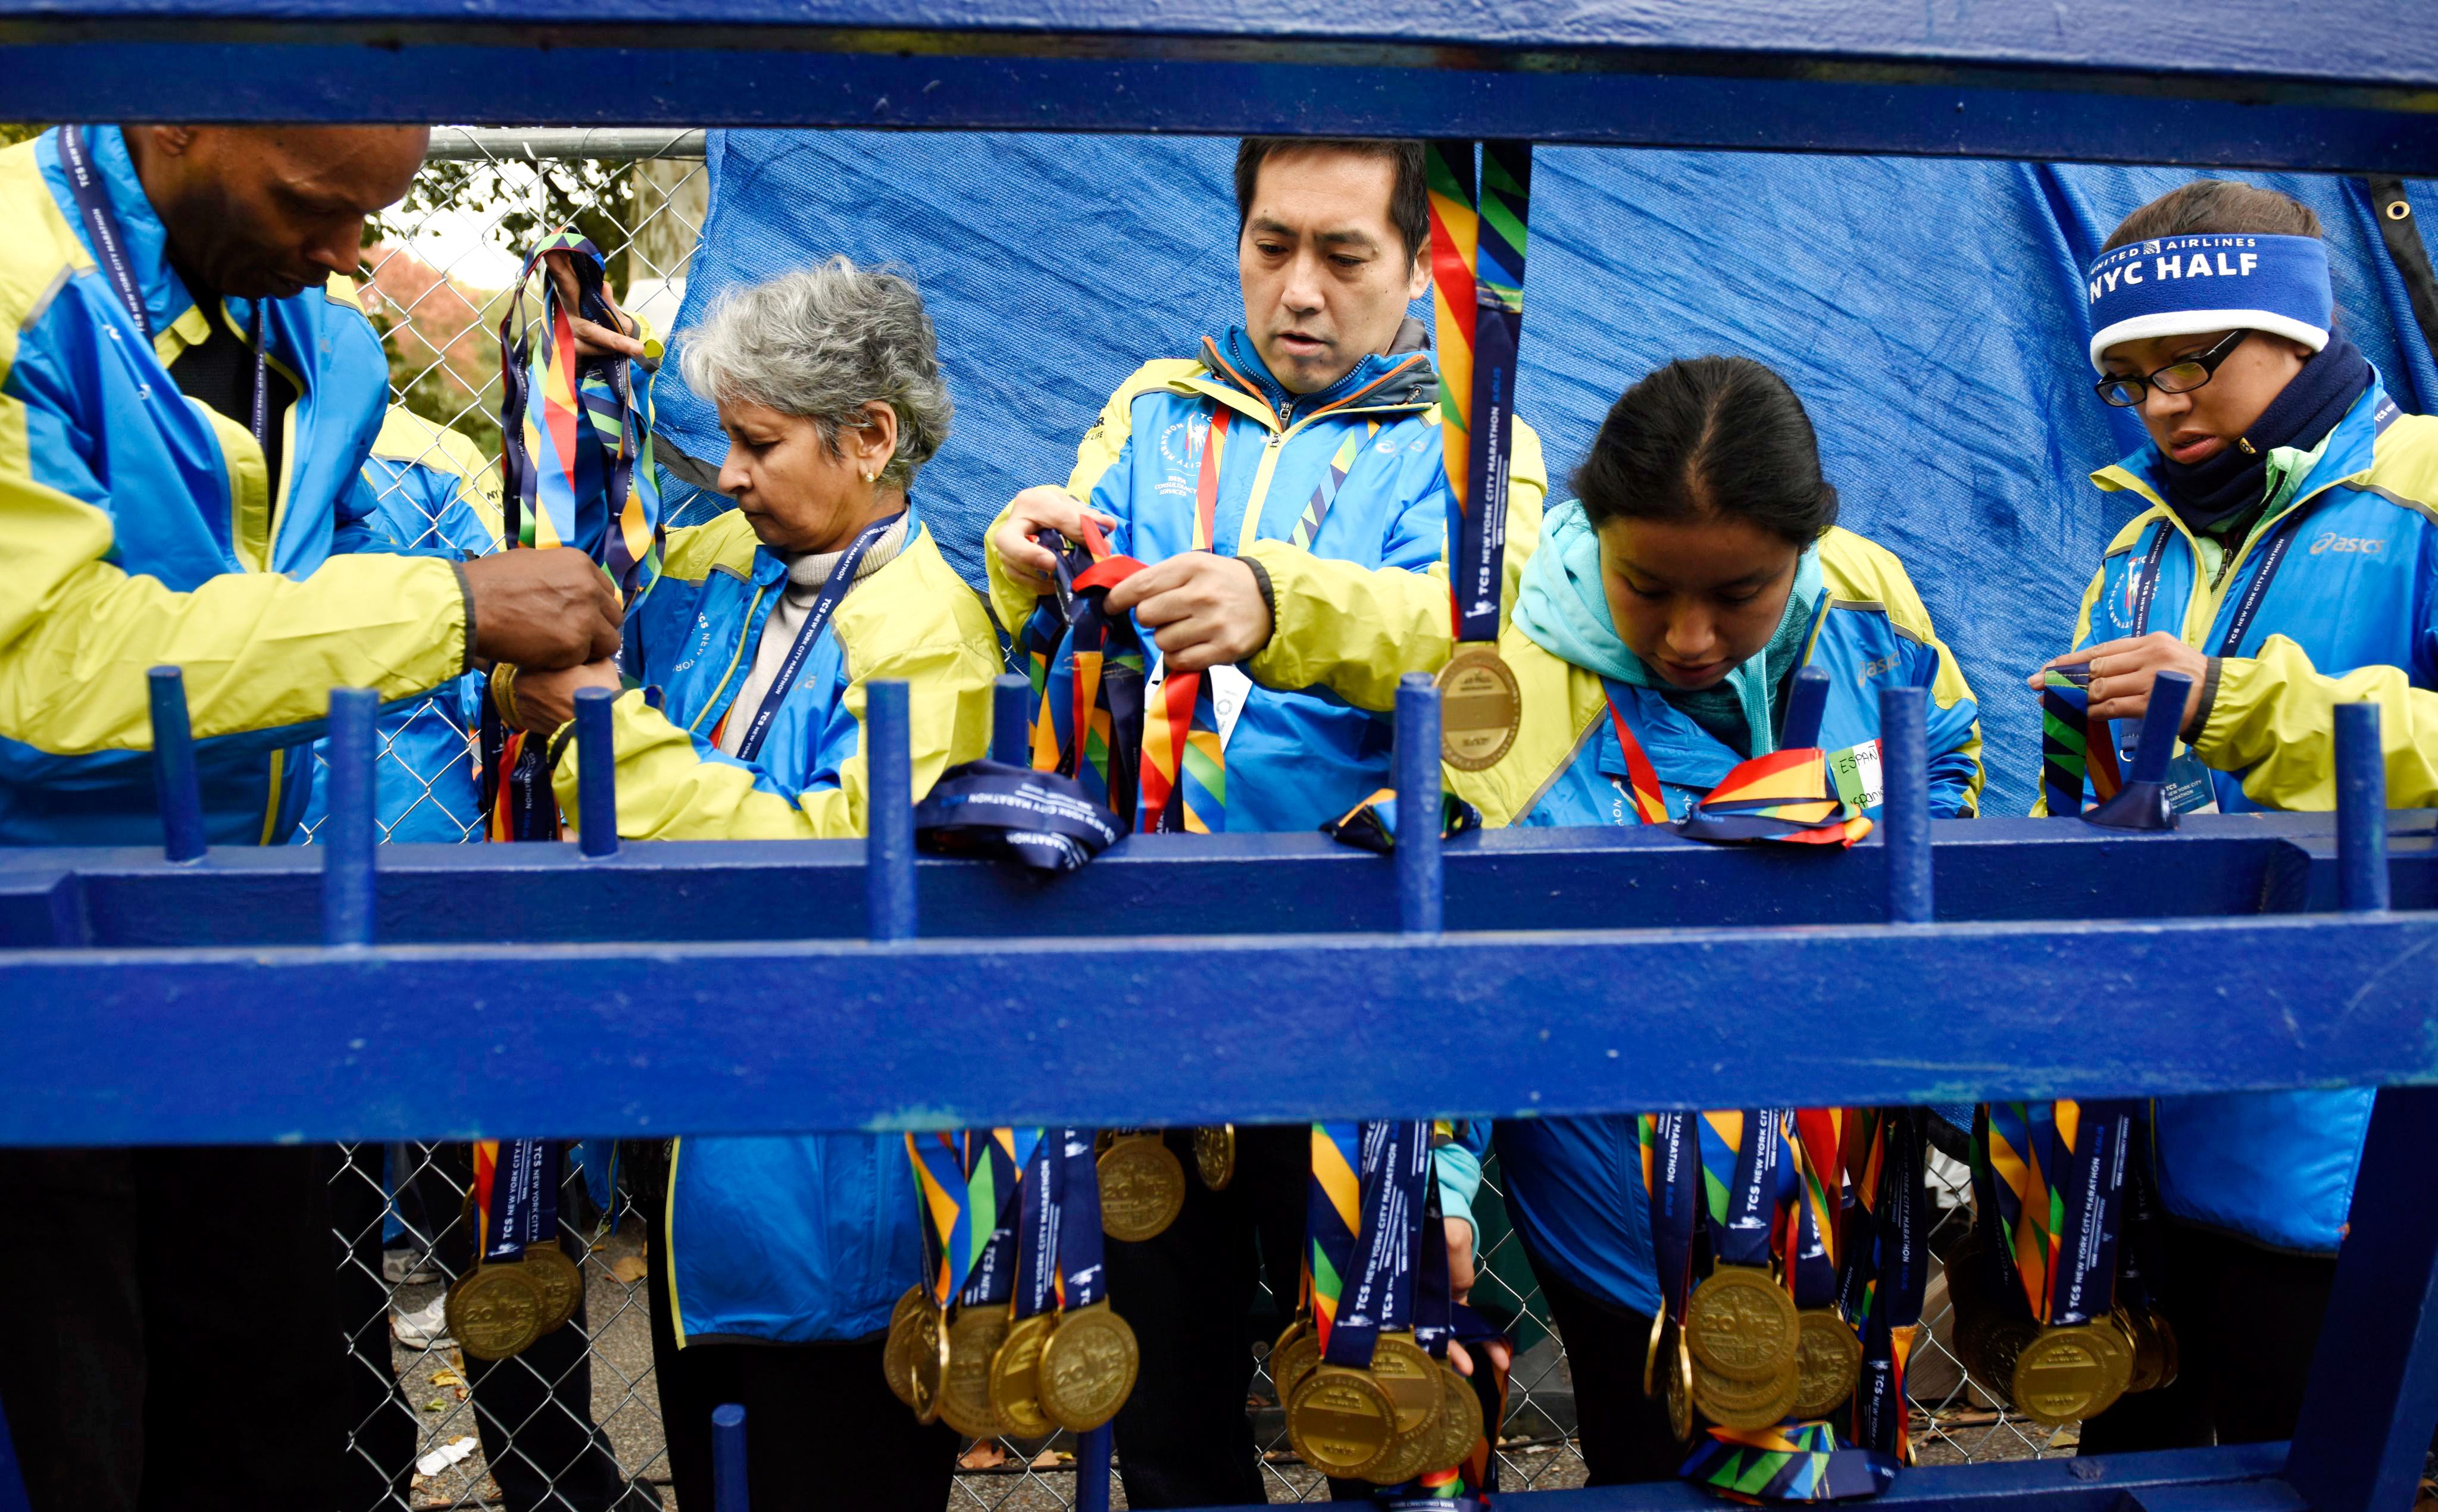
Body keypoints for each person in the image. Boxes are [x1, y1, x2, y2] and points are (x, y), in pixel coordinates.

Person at [0, 122, 619, 1512]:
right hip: (35, 964)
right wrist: (449, 609)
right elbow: (38, 659)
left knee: (273, 1410)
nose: (348, 254)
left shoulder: (321, 338)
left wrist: (493, 661)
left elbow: (285, 569)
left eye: (367, 216)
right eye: (315, 205)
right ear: (176, 117)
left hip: (238, 948)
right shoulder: (17, 274)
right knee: (75, 1430)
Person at [1235, 355, 1982, 1480]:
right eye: (1649, 588)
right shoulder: (1521, 689)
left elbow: (1952, 765)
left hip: (1829, 1199)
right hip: (1613, 1212)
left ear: (1804, 546)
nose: (1689, 636)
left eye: (1738, 595)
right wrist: (1435, 1182)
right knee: (1649, 1464)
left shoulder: (1870, 610)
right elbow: (1457, 962)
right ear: (1597, 533)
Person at [981, 136, 1540, 1507]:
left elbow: (1492, 654)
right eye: (1269, 245)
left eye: (1343, 256)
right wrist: (1016, 563)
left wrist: (1279, 605)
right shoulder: (1153, 409)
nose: (1298, 288)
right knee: (1165, 1411)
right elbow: (1067, 627)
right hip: (1144, 971)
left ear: (1416, 268)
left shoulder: (1473, 443)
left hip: (1353, 988)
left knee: (1386, 1398)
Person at [503, 259, 995, 1510]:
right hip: (698, 1162)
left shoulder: (927, 635)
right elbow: (605, 580)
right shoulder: (727, 565)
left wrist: (602, 740)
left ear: (870, 436)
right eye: (723, 437)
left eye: (756, 442)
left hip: (825, 1205)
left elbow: (825, 873)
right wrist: (598, 422)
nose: (726, 472)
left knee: (820, 1473)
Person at [2031, 180, 2438, 1451]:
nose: (2162, 403)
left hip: (2361, 1145)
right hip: (2157, 1132)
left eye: (2193, 361)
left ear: (2300, 326)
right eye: (2129, 378)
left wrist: (2230, 700)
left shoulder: (2421, 491)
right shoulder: (2137, 543)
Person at [293, 406, 656, 1510]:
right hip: (286, 908)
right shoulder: (222, 452)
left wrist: (497, 685)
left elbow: (498, 657)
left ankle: (556, 1471)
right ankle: (358, 1457)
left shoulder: (428, 460)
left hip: (452, 894)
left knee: (499, 1198)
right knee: (321, 1216)